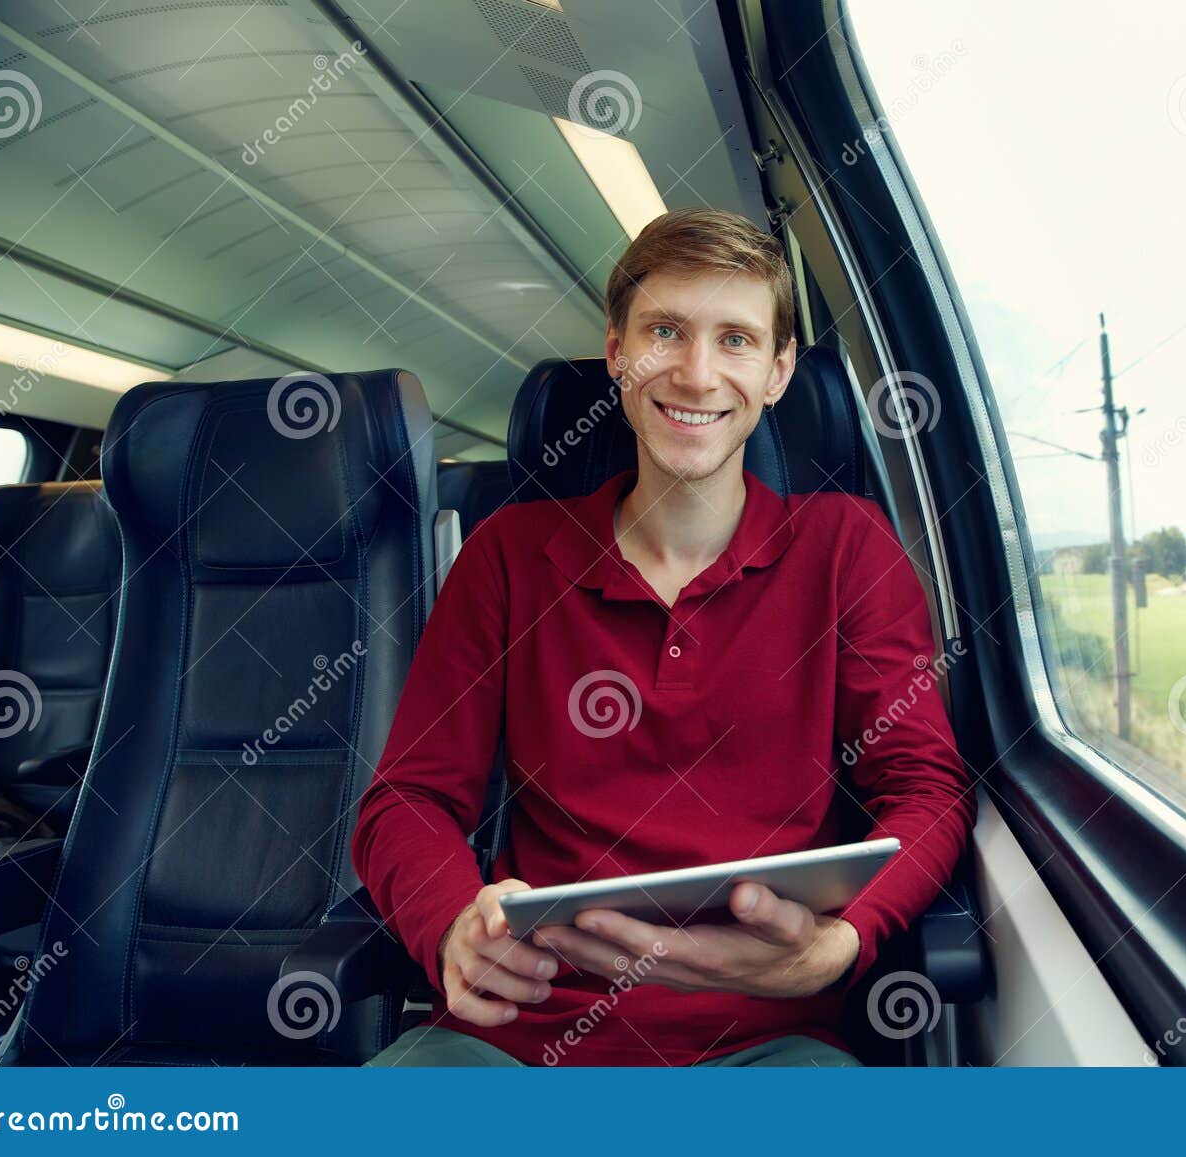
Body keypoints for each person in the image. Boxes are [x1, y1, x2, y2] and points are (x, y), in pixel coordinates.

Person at [354, 207, 974, 1067]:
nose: (695, 372)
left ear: (778, 372)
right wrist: (452, 919)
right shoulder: (509, 555)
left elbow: (926, 788)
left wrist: (842, 943)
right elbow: (408, 799)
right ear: (617, 352)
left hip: (769, 1040)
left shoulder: (848, 547)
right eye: (666, 332)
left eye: (736, 341)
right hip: (518, 1038)